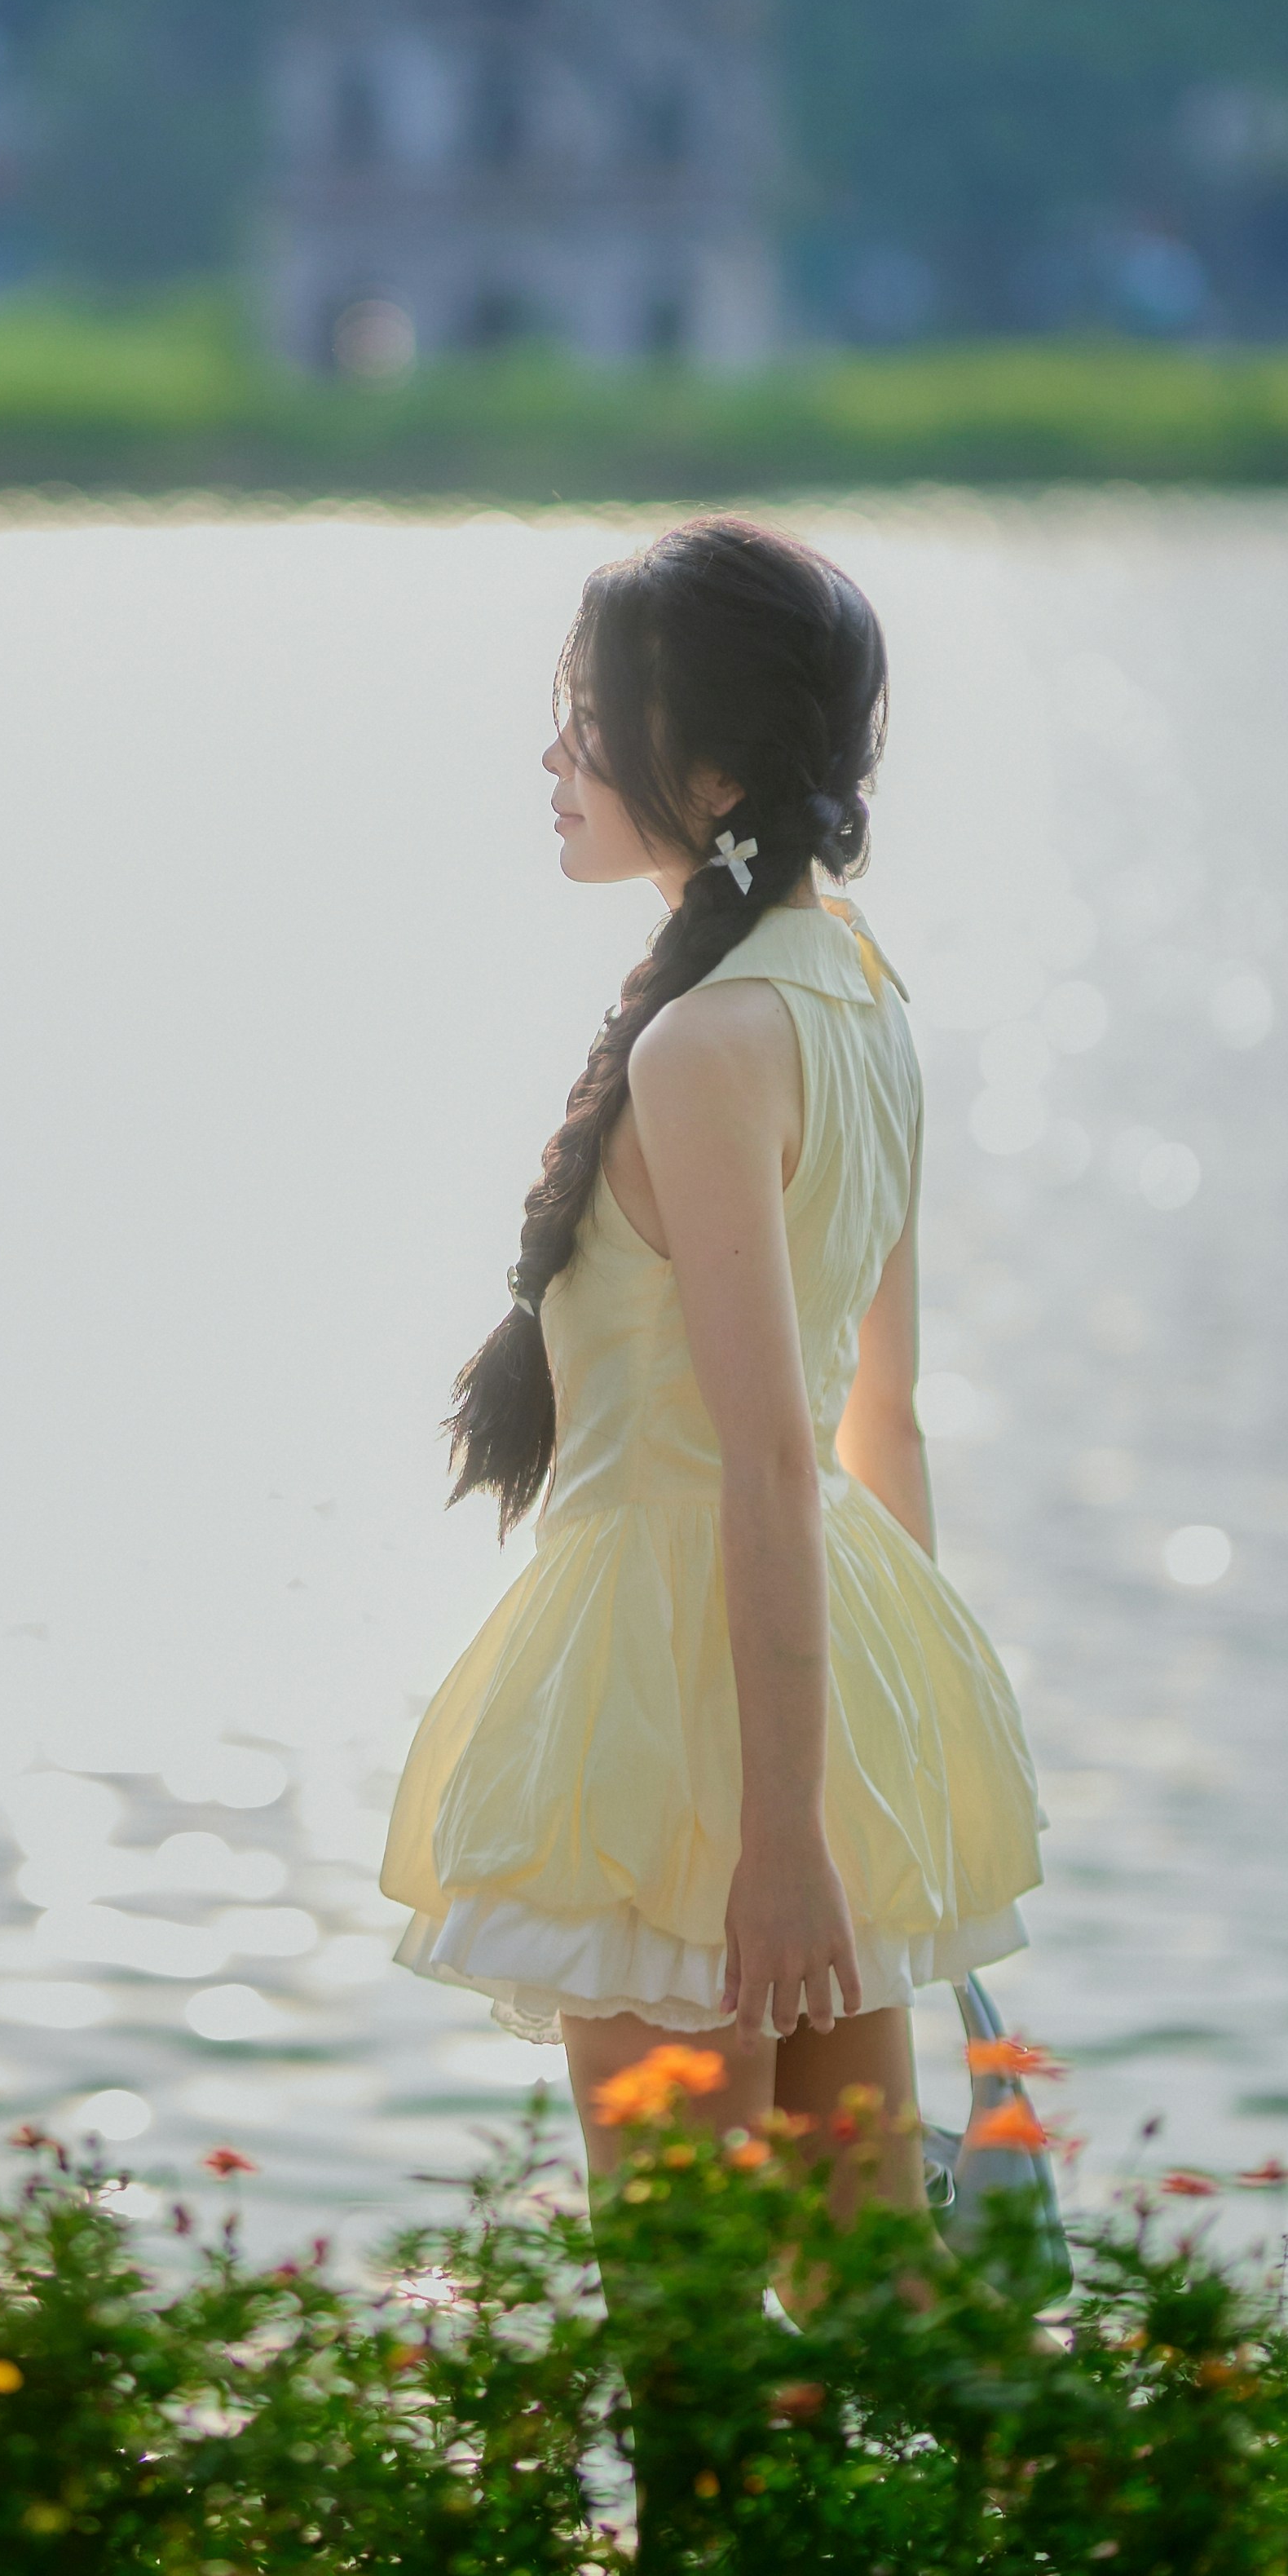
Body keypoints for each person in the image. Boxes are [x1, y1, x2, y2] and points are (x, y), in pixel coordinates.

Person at [381, 516, 1042, 2216]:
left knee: (692, 2353)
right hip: (822, 1683)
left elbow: (769, 1454)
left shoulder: (711, 1041)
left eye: (589, 714)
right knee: (860, 2302)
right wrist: (866, 1788)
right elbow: (873, 1421)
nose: (553, 755)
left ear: (717, 756)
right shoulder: (863, 1001)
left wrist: (780, 1840)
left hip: (683, 1722)